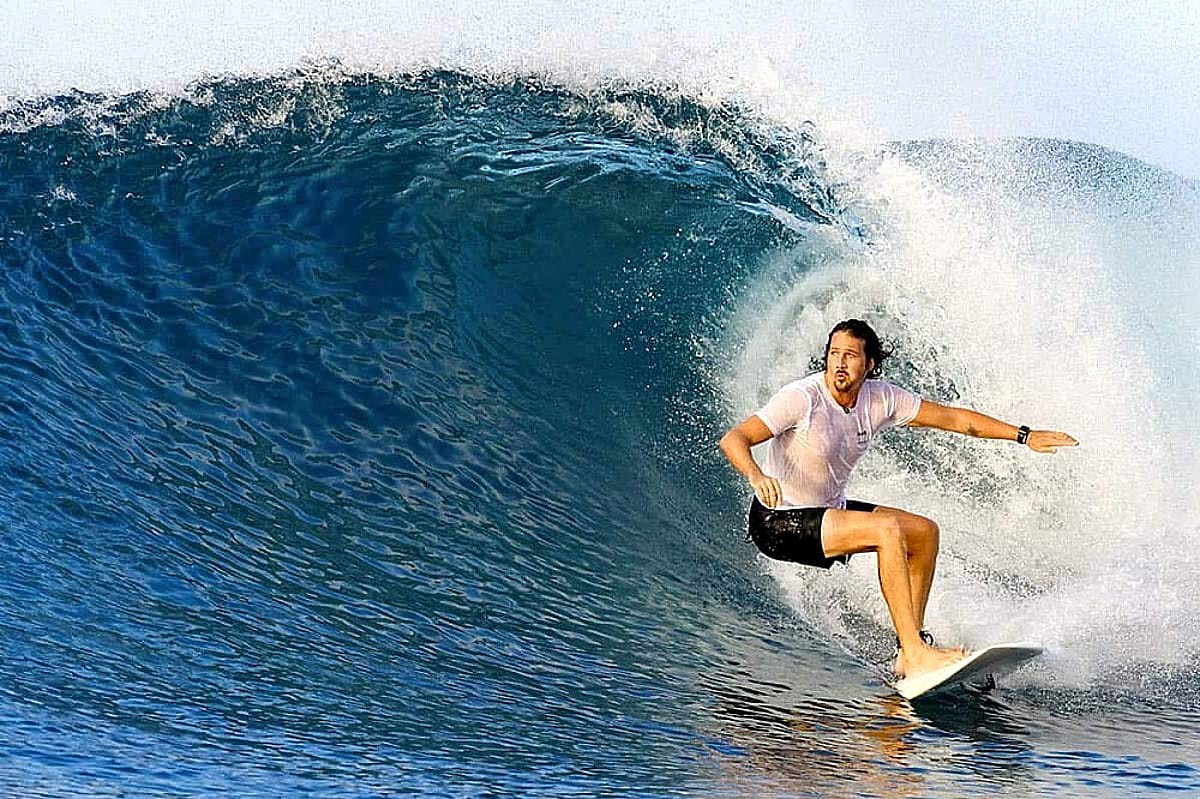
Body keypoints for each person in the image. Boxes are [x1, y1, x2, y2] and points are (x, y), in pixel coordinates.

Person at [719, 319, 1078, 679]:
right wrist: (756, 475)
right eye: (834, 354)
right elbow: (734, 438)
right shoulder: (802, 398)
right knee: (886, 529)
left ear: (869, 363)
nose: (839, 363)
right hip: (777, 521)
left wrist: (1024, 435)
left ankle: (909, 650)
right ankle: (916, 651)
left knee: (923, 533)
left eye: (850, 355)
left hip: (827, 512)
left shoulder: (880, 398)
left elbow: (954, 419)